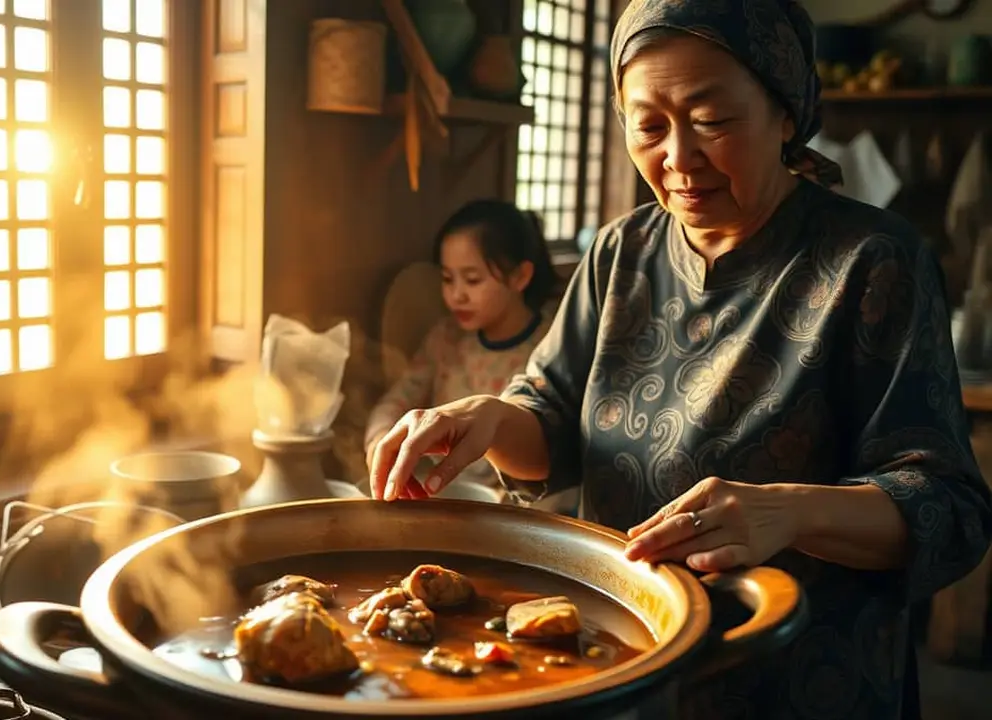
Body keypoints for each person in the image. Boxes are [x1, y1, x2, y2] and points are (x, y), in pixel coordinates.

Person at [367, 1, 992, 718]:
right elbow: (552, 417)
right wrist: (489, 417)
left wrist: (785, 513)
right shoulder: (620, 252)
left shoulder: (873, 264)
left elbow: (949, 507)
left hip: (797, 681)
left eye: (711, 121)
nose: (678, 159)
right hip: (625, 666)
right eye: (649, 125)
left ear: (785, 114)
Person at [364, 200, 561, 497]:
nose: (457, 295)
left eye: (472, 280)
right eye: (447, 279)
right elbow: (396, 401)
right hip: (442, 495)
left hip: (524, 509)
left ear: (520, 276)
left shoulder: (552, 342)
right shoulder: (444, 339)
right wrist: (381, 441)